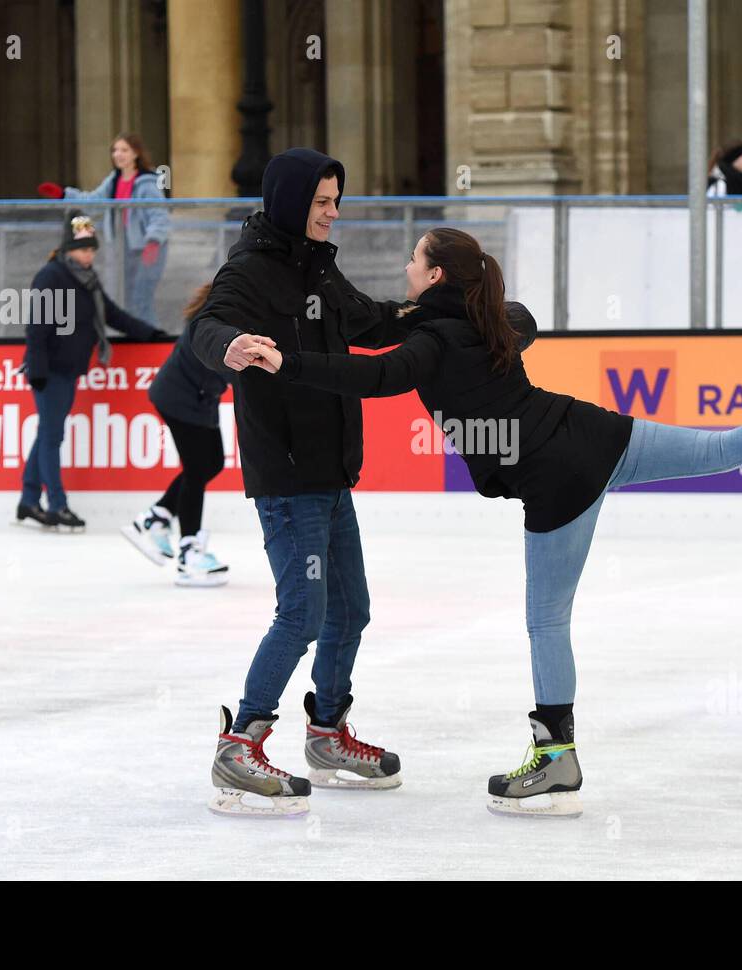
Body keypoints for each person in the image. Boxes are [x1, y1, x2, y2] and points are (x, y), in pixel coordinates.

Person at [234, 226, 742, 819]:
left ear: (435, 273)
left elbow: (378, 378)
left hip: (556, 477)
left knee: (548, 621)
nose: (405, 270)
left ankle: (556, 759)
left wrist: (286, 360)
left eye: (414, 261)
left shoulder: (437, 340)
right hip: (597, 435)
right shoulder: (485, 319)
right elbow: (521, 321)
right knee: (720, 447)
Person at [189, 148, 525, 817]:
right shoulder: (251, 270)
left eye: (336, 200)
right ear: (290, 202)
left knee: (352, 611)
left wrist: (452, 311)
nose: (333, 212)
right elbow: (205, 323)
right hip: (286, 473)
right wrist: (223, 345)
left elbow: (372, 319)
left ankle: (327, 731)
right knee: (303, 613)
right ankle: (239, 743)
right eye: (321, 202)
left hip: (332, 470)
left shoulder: (319, 266)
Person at [16, 210, 166, 531]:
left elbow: (111, 314)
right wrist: (38, 369)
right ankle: (57, 505)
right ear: (68, 248)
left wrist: (149, 332)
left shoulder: (88, 280)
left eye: (92, 249)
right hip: (50, 371)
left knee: (47, 433)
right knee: (52, 437)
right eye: (84, 249)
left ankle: (29, 501)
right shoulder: (51, 276)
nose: (89, 255)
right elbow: (37, 328)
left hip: (68, 370)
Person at [122, 283, 232, 587]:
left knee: (212, 463)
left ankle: (156, 517)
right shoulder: (211, 319)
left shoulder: (228, 313)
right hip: (179, 398)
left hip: (199, 399)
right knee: (198, 469)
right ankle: (188, 554)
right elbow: (233, 369)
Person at [39, 133, 171, 323]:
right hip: (122, 248)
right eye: (115, 150)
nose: (118, 154)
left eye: (124, 150)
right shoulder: (114, 180)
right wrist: (64, 194)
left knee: (141, 299)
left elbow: (159, 216)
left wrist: (153, 241)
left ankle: (152, 339)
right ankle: (133, 341)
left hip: (146, 249)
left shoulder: (147, 182)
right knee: (124, 298)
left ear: (136, 153)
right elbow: (93, 201)